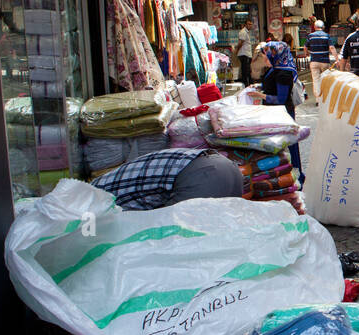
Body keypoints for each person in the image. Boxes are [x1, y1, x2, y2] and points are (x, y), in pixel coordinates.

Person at [92, 149, 243, 210]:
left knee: (181, 238)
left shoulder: (91, 203)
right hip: (224, 165)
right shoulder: (101, 188)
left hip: (203, 177)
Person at [254, 40, 304, 175]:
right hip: (273, 113)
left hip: (283, 114)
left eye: (267, 54)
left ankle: (295, 174)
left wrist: (260, 95)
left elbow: (281, 99)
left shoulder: (283, 73)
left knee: (288, 145)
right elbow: (270, 87)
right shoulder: (274, 68)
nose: (264, 57)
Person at [305, 19, 334, 99]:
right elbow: (331, 47)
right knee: (326, 79)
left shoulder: (310, 36)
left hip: (314, 61)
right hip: (325, 61)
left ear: (314, 27)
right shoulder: (326, 35)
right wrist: (337, 59)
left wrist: (306, 53)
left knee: (316, 80)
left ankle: (318, 99)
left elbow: (305, 47)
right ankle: (326, 98)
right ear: (323, 27)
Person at [235, 21, 256, 85]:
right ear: (245, 25)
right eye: (249, 24)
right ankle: (246, 84)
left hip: (247, 54)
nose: (250, 26)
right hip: (244, 53)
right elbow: (240, 43)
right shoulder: (243, 32)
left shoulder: (246, 32)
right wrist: (236, 51)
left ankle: (249, 83)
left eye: (251, 24)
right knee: (245, 70)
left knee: (248, 70)